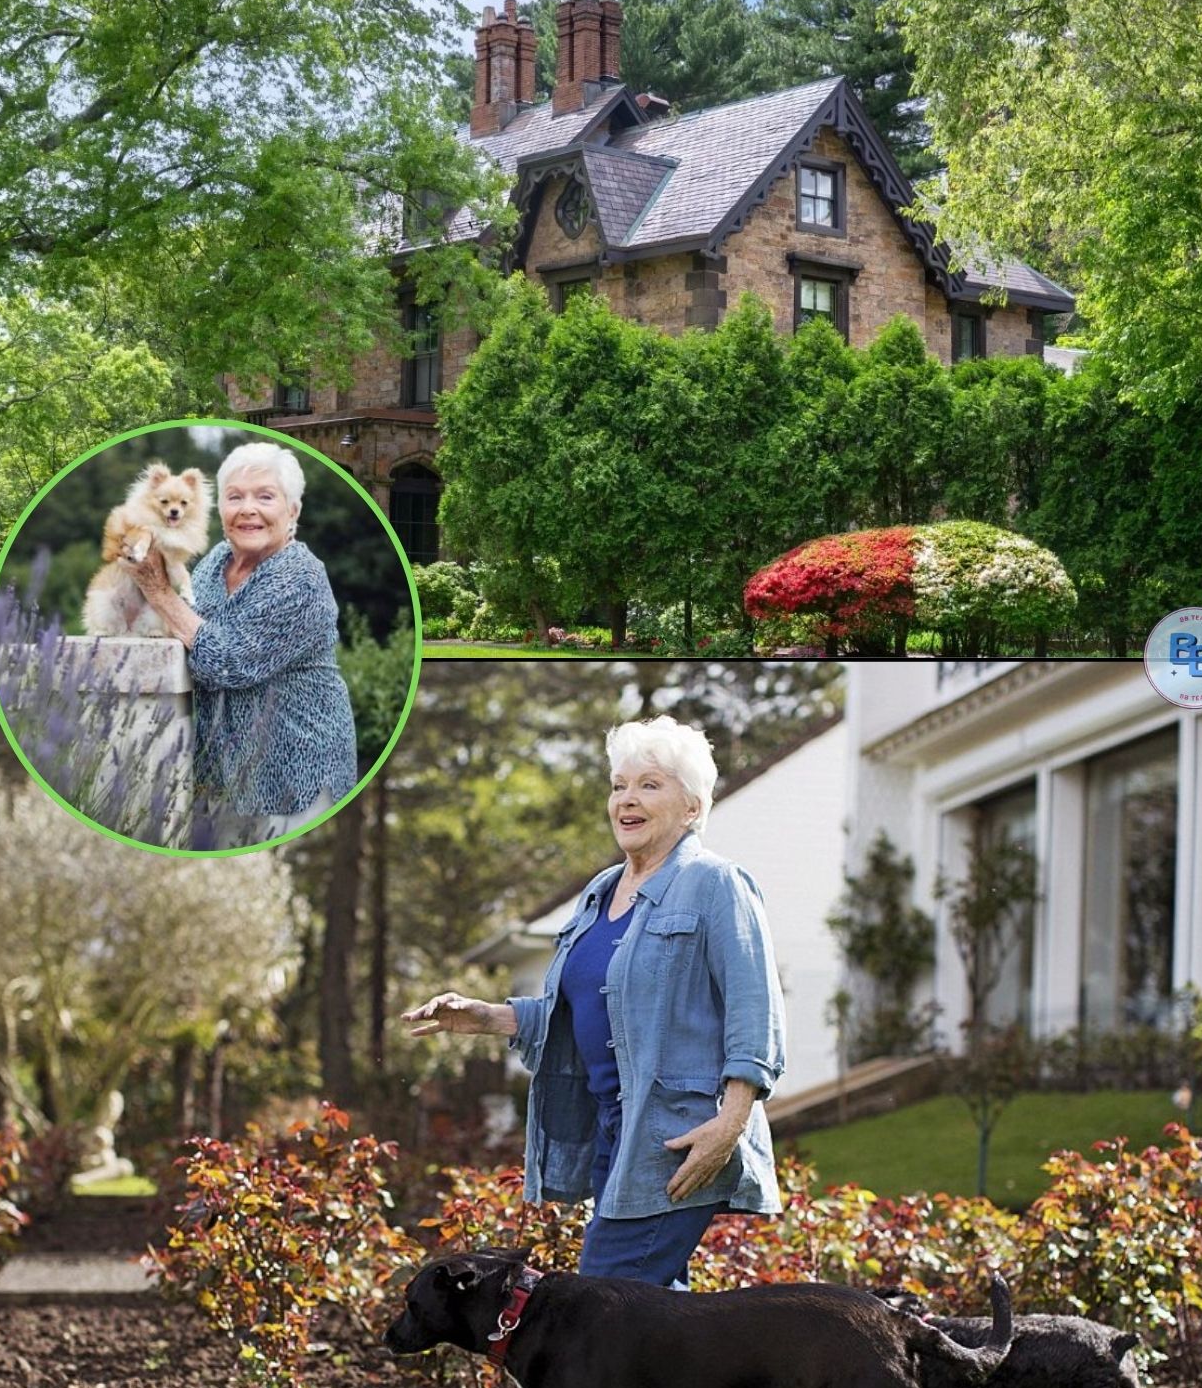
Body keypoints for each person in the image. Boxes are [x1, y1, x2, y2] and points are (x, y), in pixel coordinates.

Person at [403, 715, 786, 1289]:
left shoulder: (716, 884)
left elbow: (756, 1013)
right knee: (652, 1311)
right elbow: (579, 1014)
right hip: (612, 1129)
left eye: (649, 785)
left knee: (604, 1298)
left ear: (691, 807)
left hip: (676, 1135)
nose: (627, 799)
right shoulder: (600, 893)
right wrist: (483, 1016)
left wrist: (728, 1126)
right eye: (618, 785)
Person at [124, 440, 357, 846]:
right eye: (235, 497)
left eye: (265, 497)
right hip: (225, 778)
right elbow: (188, 631)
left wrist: (158, 591)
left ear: (293, 511)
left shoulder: (301, 578)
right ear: (220, 510)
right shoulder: (216, 561)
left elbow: (228, 662)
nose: (248, 509)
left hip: (294, 778)